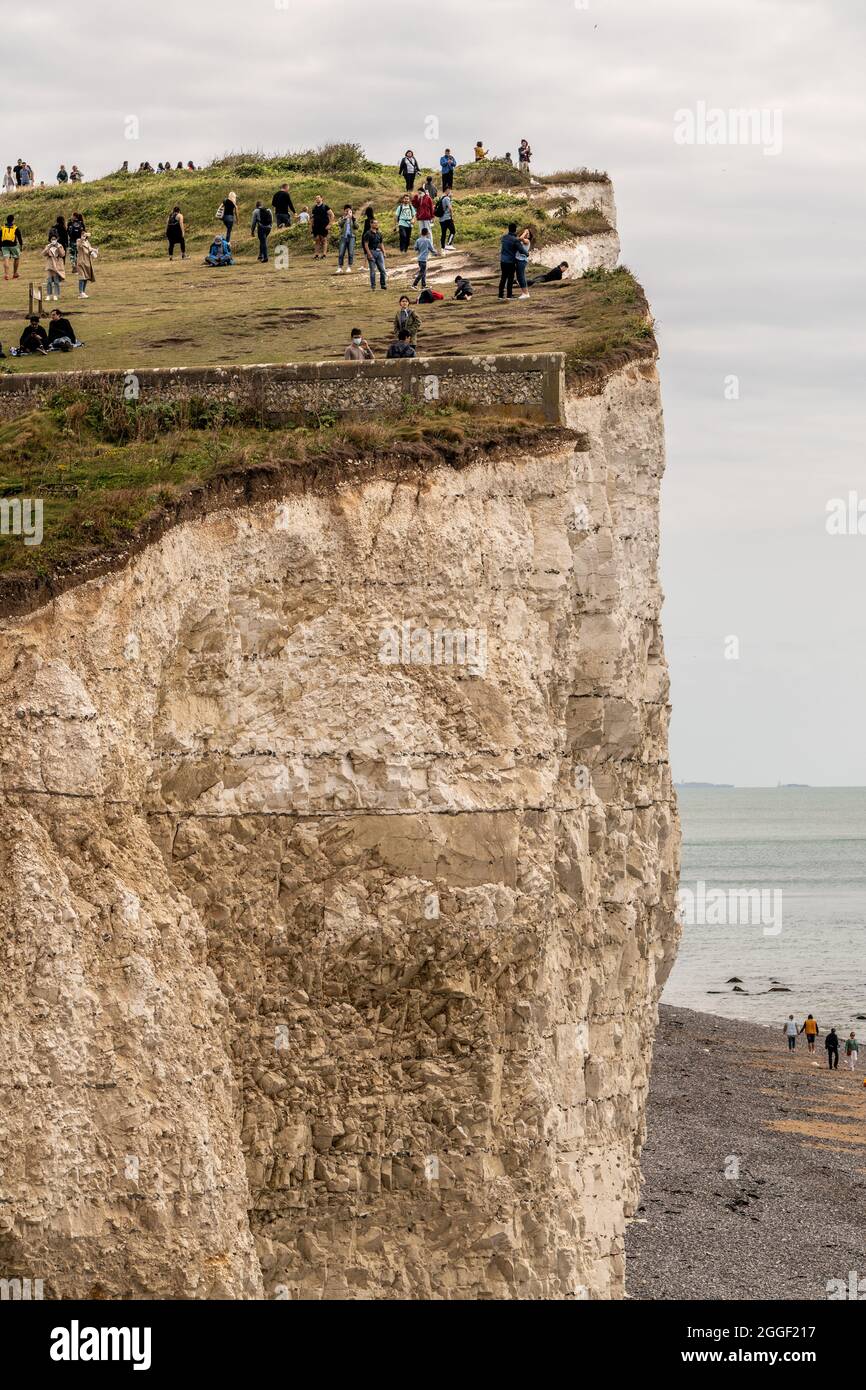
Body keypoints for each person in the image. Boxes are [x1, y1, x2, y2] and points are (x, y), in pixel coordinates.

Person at [498, 222, 522, 300]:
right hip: (510, 262)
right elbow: (521, 250)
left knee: (503, 278)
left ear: (509, 229)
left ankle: (500, 295)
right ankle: (509, 295)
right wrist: (527, 253)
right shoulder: (515, 240)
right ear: (515, 230)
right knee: (511, 278)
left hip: (503, 261)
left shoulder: (504, 237)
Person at [362, 218, 387, 290]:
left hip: (379, 252)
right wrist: (369, 254)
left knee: (382, 269)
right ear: (371, 224)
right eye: (374, 223)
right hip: (371, 251)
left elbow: (381, 243)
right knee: (373, 270)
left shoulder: (379, 233)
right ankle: (373, 286)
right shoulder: (367, 233)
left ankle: (383, 284)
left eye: (377, 223)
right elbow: (366, 245)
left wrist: (384, 252)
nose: (376, 224)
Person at [42, 231, 66, 302]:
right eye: (52, 239)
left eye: (54, 239)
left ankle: (56, 295)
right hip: (50, 266)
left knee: (56, 281)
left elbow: (62, 255)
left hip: (57, 266)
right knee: (49, 281)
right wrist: (48, 248)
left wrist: (58, 248)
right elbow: (43, 253)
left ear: (57, 239)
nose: (53, 240)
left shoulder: (60, 246)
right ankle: (48, 295)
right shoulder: (48, 246)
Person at [75, 231, 97, 297]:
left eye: (84, 235)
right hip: (81, 261)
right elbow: (79, 246)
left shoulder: (87, 242)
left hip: (87, 262)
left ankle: (83, 292)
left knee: (86, 277)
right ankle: (81, 292)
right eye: (82, 235)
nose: (84, 236)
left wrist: (94, 251)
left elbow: (89, 249)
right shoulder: (78, 240)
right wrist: (82, 239)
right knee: (82, 277)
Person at [1, 215, 23, 281]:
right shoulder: (15, 228)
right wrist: (21, 245)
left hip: (4, 245)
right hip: (13, 245)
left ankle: (6, 275)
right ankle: (15, 273)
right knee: (16, 258)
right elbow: (19, 238)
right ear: (13, 220)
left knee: (6, 259)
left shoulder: (2, 228)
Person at [336, 205, 356, 273]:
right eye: (346, 211)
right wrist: (345, 218)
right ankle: (340, 267)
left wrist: (353, 219)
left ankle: (349, 267)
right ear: (344, 211)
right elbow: (340, 224)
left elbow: (357, 227)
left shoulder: (353, 219)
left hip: (351, 237)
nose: (348, 212)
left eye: (349, 211)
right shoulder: (341, 218)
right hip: (343, 237)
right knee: (341, 253)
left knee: (351, 253)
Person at [514, 226, 532, 297]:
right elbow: (518, 239)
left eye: (528, 233)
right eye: (525, 232)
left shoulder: (527, 241)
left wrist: (525, 232)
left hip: (522, 260)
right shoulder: (521, 240)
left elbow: (521, 238)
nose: (526, 234)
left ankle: (526, 293)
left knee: (521, 277)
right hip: (519, 260)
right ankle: (524, 293)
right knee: (519, 277)